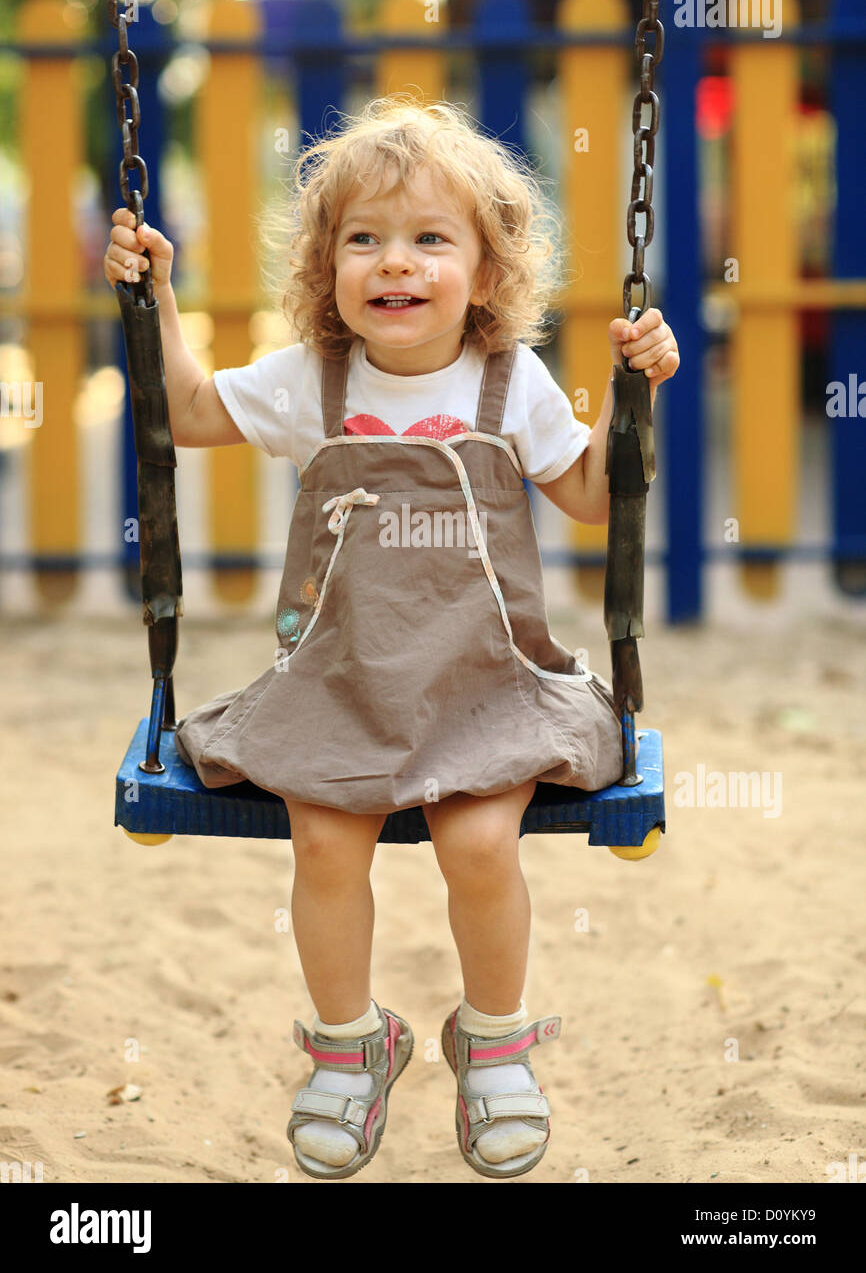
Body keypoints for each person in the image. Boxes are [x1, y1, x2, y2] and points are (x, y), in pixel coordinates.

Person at [104, 97, 679, 1181]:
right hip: (339, 681)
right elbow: (179, 410)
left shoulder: (511, 385)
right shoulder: (308, 383)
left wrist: (634, 399)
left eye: (428, 239)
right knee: (323, 842)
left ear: (486, 270)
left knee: (476, 844)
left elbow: (599, 498)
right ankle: (348, 1044)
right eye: (361, 239)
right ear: (325, 269)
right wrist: (158, 298)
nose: (393, 263)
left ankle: (495, 1041)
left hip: (484, 683)